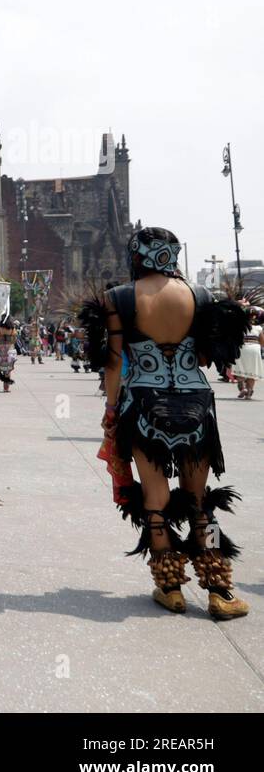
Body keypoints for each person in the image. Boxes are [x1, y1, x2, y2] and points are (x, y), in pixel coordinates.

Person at [85, 227, 249, 620]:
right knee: (198, 499)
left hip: (143, 403)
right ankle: (220, 589)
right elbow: (210, 358)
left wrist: (111, 409)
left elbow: (112, 361)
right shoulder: (200, 296)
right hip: (196, 402)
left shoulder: (119, 297)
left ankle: (170, 586)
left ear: (136, 255)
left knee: (154, 500)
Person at [233, 307, 263, 399]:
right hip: (254, 349)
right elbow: (262, 341)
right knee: (252, 372)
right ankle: (249, 391)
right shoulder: (258, 328)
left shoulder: (239, 326)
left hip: (242, 348)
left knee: (241, 370)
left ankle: (243, 388)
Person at [0, 314, 18, 392]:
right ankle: (6, 388)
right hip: (10, 350)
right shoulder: (13, 330)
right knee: (7, 370)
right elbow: (15, 341)